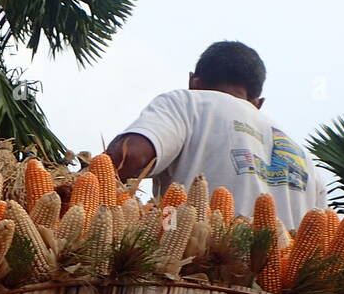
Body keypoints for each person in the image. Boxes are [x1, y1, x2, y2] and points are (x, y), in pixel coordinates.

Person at [106, 40, 328, 231]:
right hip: (283, 279)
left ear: (194, 82)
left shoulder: (187, 103)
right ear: (258, 103)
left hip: (189, 276)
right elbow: (322, 236)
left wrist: (80, 190)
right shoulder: (304, 157)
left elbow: (130, 155)